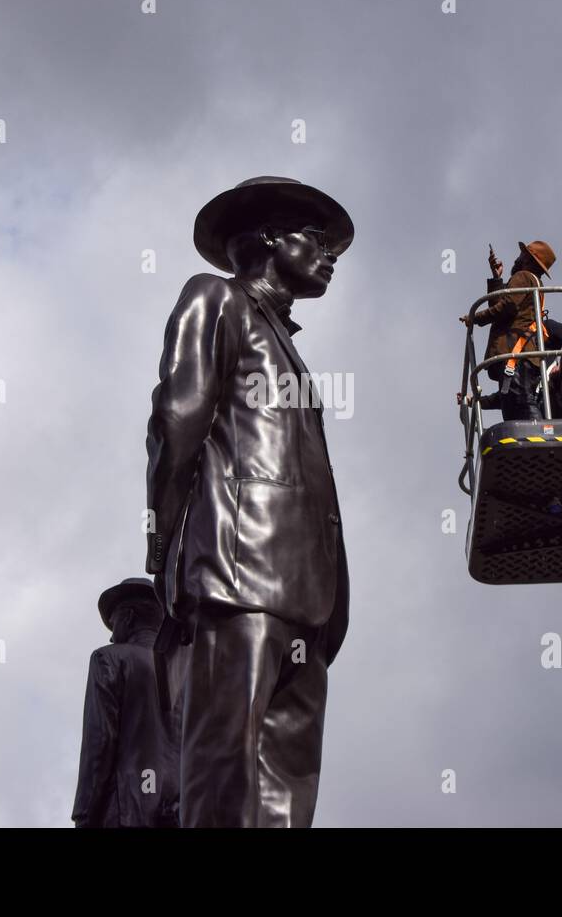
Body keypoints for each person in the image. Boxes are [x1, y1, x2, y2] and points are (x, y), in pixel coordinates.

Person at [145, 175, 353, 827]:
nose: (330, 254)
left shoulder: (287, 346)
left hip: (306, 596)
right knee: (225, 766)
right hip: (237, 571)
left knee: (287, 790)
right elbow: (178, 421)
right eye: (316, 239)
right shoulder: (216, 299)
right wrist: (164, 546)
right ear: (267, 234)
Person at [71, 577, 182, 828]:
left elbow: (99, 741)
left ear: (129, 618)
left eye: (114, 624)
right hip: (184, 814)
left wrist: (84, 816)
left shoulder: (109, 659)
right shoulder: (191, 674)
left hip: (125, 812)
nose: (111, 637)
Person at [460, 240, 562, 419]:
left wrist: (475, 318)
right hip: (522, 357)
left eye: (522, 255)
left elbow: (507, 307)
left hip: (514, 353)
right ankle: (538, 437)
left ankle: (538, 437)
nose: (517, 258)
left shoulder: (523, 276)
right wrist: (497, 278)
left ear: (528, 260)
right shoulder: (534, 282)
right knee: (514, 400)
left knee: (520, 403)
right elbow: (503, 305)